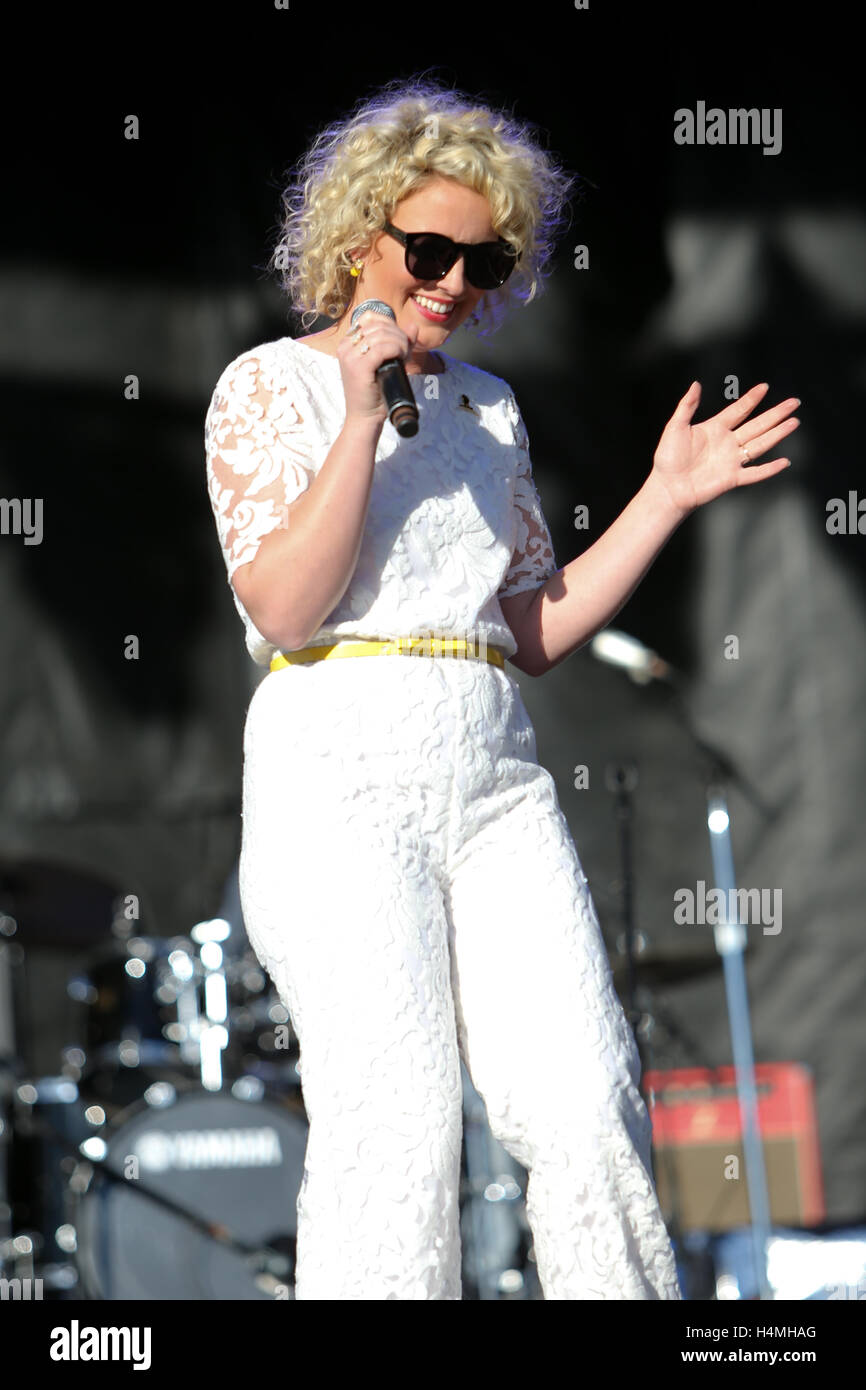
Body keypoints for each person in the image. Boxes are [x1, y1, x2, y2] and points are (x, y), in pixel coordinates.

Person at [204, 76, 800, 1301]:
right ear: (358, 236)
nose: (451, 282)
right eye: (427, 249)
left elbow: (527, 627)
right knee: (398, 1124)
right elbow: (281, 606)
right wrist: (363, 416)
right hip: (337, 769)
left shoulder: (489, 409)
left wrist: (664, 497)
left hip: (492, 770)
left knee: (587, 1097)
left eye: (483, 262)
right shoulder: (269, 386)